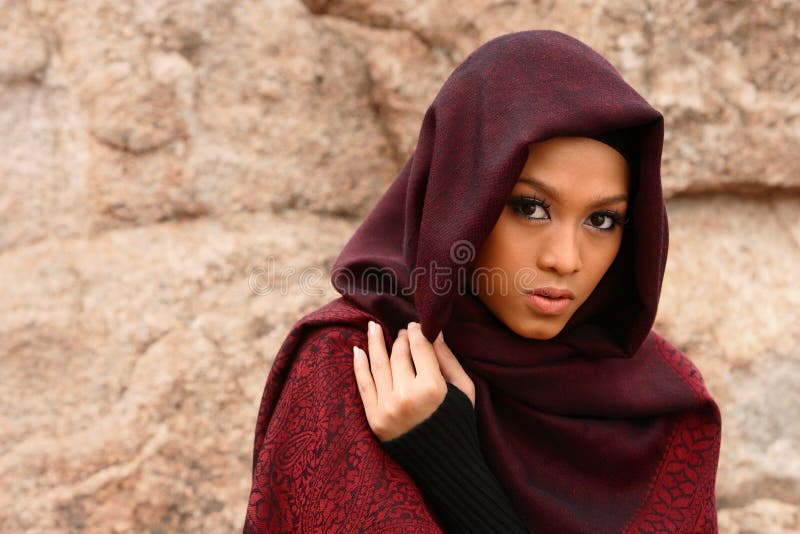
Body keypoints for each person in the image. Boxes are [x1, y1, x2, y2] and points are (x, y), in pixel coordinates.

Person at [243, 30, 722, 533]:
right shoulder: (355, 367)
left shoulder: (662, 409)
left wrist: (452, 470)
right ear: (462, 203)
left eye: (602, 221)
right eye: (529, 208)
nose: (565, 259)